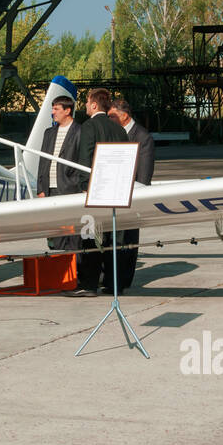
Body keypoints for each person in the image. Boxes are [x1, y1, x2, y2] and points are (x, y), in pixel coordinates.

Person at [72, 89, 128, 296]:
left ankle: (89, 284)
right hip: (117, 189)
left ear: (94, 105)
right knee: (114, 238)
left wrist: (84, 185)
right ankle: (114, 284)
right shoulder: (120, 129)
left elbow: (85, 158)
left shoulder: (89, 126)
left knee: (92, 237)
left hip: (97, 189)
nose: (85, 105)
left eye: (87, 102)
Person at [108, 99, 155, 294]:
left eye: (112, 116)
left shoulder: (142, 137)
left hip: (131, 196)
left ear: (124, 115)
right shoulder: (114, 134)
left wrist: (138, 196)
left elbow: (144, 174)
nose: (109, 119)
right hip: (112, 194)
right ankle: (112, 279)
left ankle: (124, 281)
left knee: (128, 240)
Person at [36, 95, 81, 253]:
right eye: (52, 108)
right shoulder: (49, 133)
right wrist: (40, 188)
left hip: (70, 189)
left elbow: (82, 162)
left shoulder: (80, 131)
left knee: (74, 235)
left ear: (67, 111)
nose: (52, 112)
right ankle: (63, 272)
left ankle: (76, 270)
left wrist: (77, 185)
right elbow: (43, 161)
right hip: (50, 190)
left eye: (56, 109)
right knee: (57, 235)